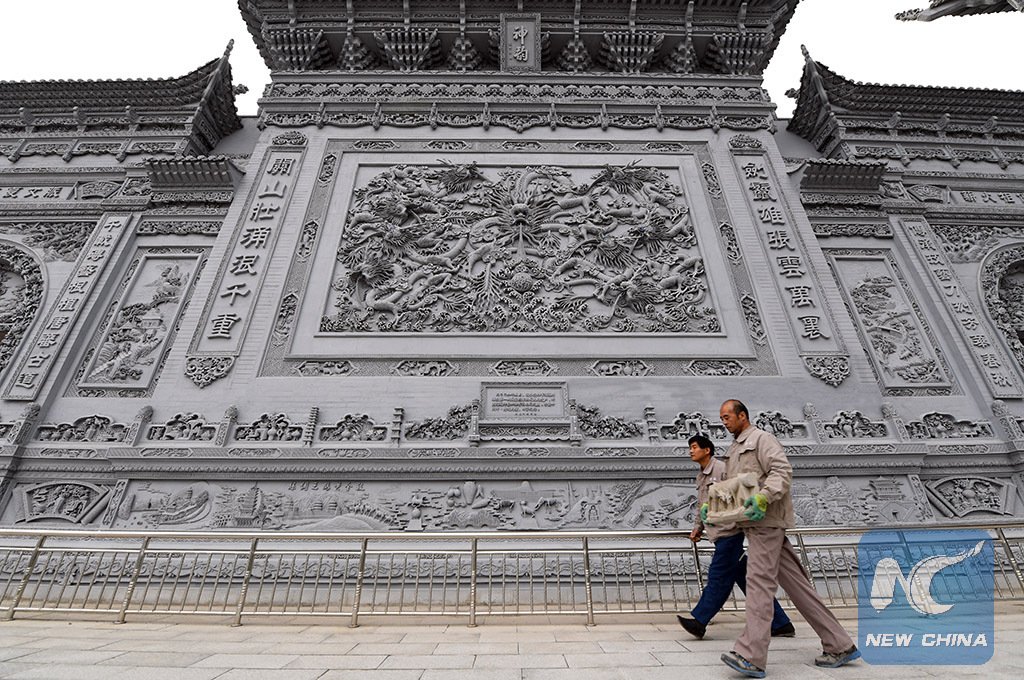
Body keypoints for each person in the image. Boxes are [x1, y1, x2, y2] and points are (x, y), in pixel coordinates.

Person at [717, 399, 860, 678]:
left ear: (742, 416)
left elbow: (782, 472)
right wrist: (715, 509)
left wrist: (764, 496)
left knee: (758, 585)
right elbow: (736, 489)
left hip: (767, 524)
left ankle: (751, 655)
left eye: (727, 416)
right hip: (753, 524)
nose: (724, 422)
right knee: (799, 588)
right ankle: (840, 644)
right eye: (722, 418)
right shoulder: (734, 449)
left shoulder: (762, 439)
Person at [677, 433, 795, 640]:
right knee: (746, 580)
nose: (691, 451)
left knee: (718, 577)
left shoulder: (722, 469)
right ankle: (780, 623)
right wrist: (698, 527)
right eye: (690, 448)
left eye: (694, 447)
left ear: (707, 450)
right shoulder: (701, 476)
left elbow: (739, 491)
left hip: (730, 531)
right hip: (718, 532)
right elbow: (702, 504)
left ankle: (699, 620)